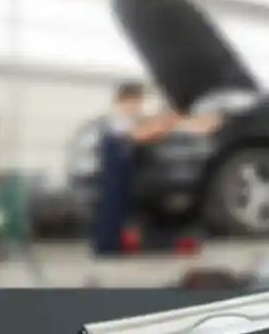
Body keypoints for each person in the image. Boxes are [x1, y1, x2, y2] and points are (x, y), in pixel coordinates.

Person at [91, 83, 217, 257]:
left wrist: (174, 122)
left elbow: (152, 127)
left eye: (139, 102)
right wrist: (167, 124)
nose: (137, 106)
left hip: (124, 171)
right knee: (113, 209)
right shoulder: (117, 118)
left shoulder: (132, 118)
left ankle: (114, 244)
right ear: (124, 100)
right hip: (115, 170)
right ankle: (108, 246)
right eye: (135, 101)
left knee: (124, 210)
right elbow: (138, 135)